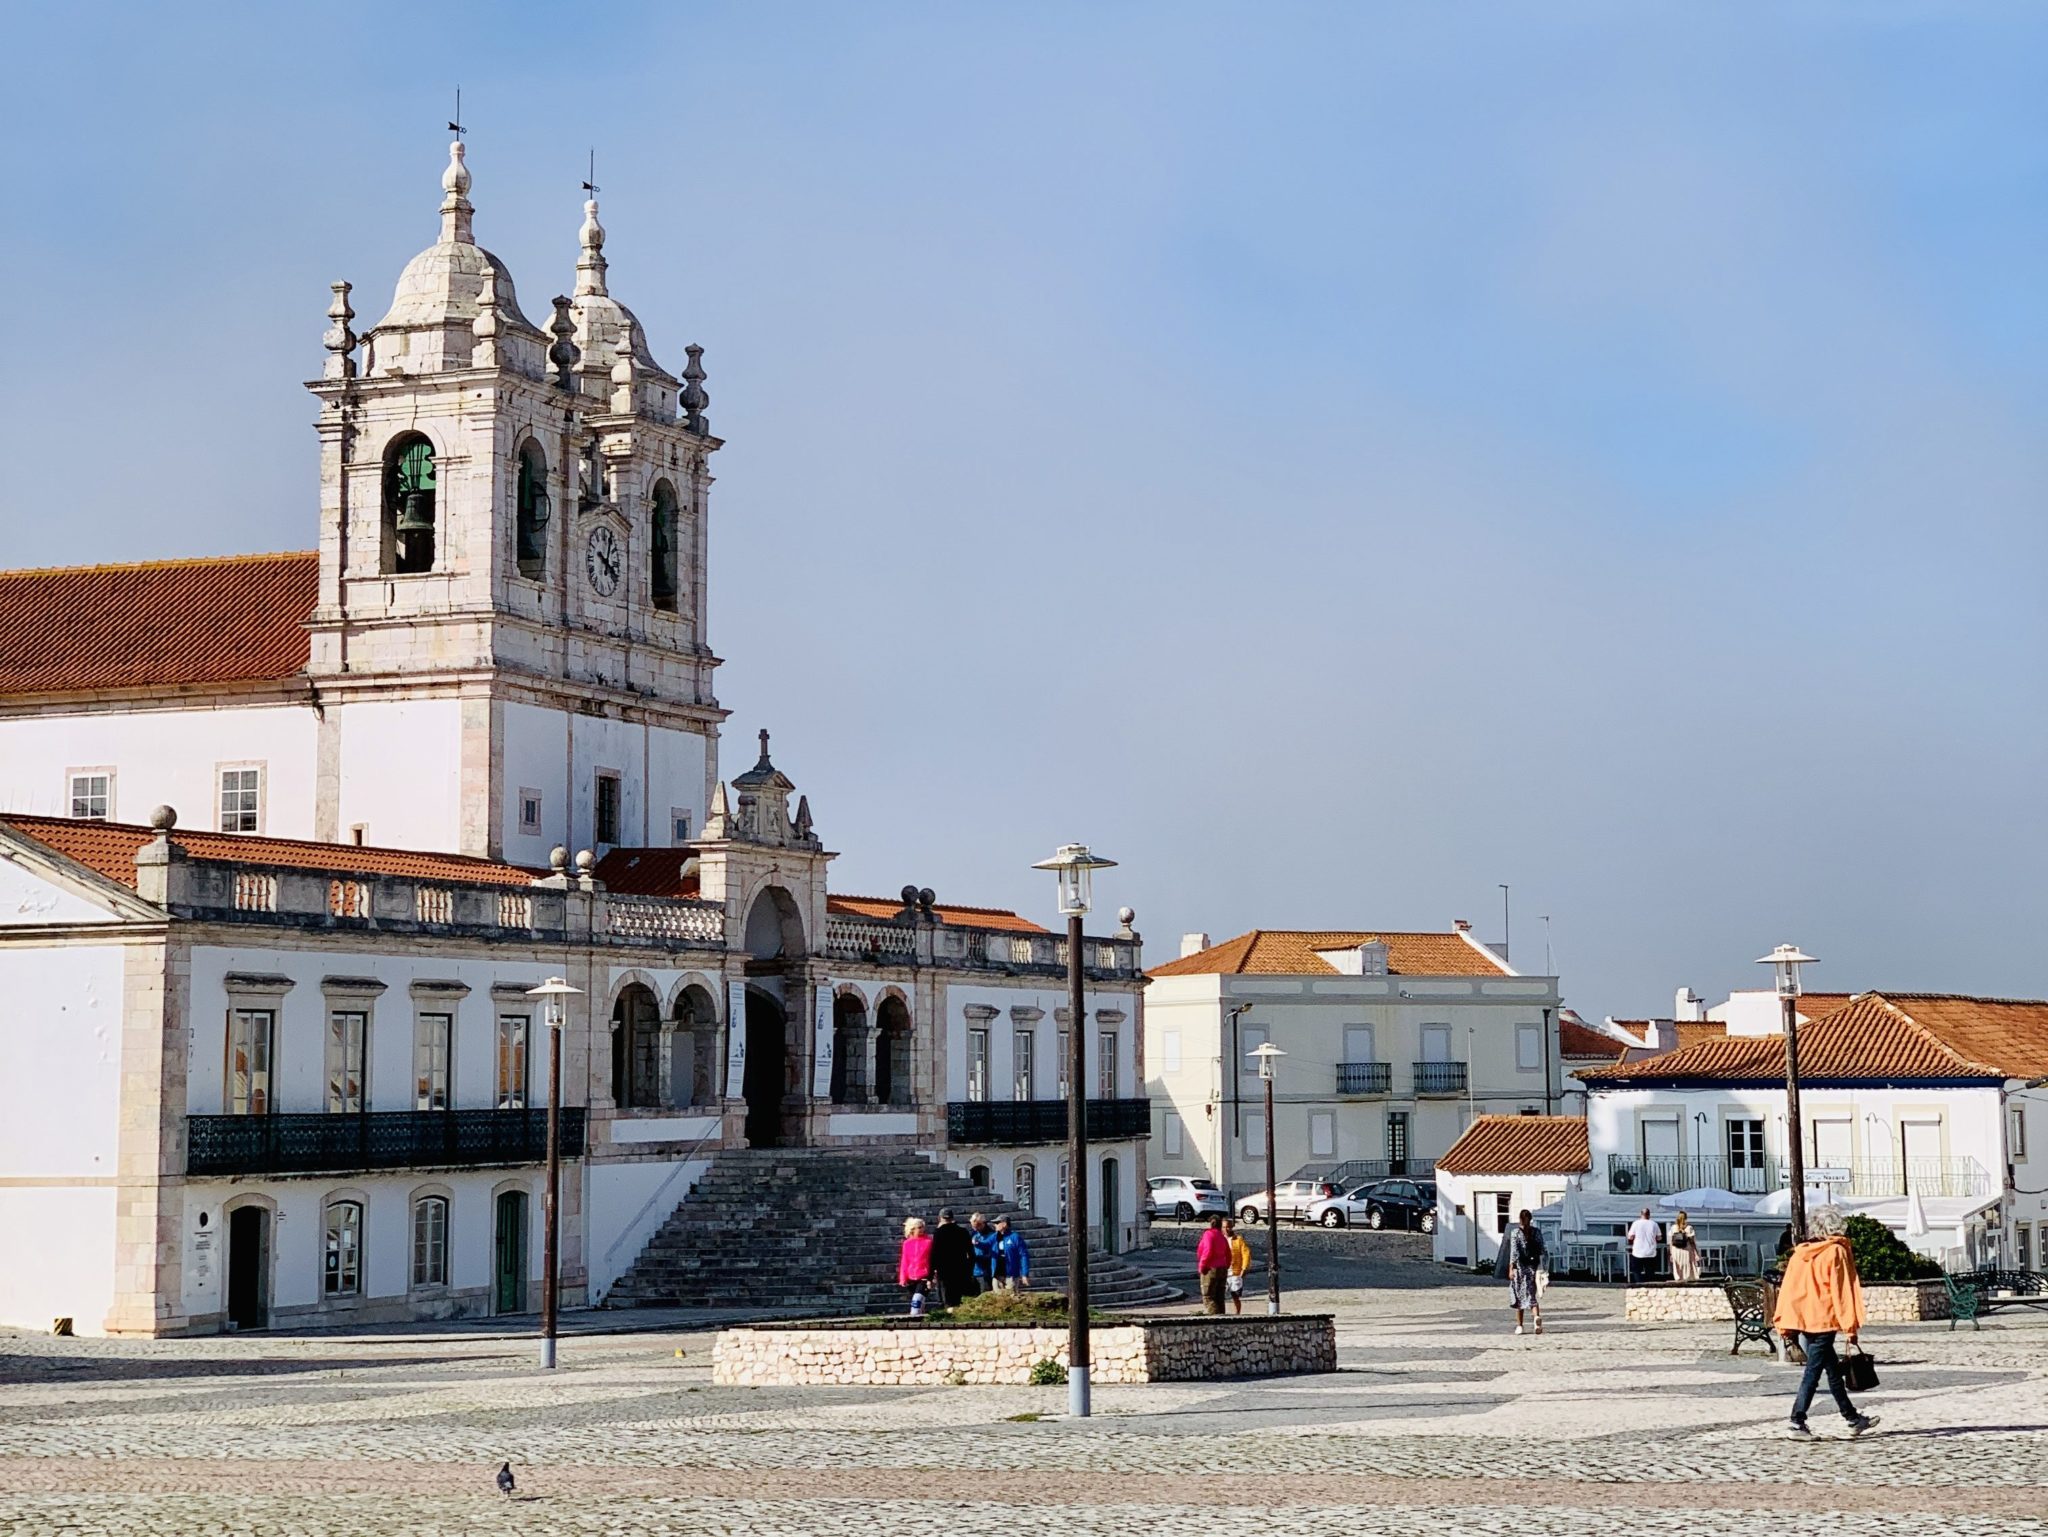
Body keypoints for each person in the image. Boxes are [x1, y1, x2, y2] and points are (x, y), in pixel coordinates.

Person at [1772, 1205, 1879, 1439]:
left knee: (1832, 1372)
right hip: (1823, 1321)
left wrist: (1784, 1324)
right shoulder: (1835, 1252)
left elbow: (1789, 1290)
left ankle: (1852, 1418)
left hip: (1803, 1320)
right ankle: (1796, 1422)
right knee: (1812, 1372)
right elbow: (1842, 1292)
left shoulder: (1800, 1253)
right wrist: (1850, 1328)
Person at [1504, 1209, 1546, 1335]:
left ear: (1519, 1219)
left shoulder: (1515, 1233)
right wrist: (1543, 1267)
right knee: (1532, 1296)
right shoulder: (1536, 1232)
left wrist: (1511, 1268)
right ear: (1531, 1219)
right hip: (1533, 1268)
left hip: (1520, 1269)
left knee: (1519, 1298)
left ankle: (1520, 1325)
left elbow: (1514, 1253)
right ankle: (1536, 1318)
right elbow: (1543, 1250)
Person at [930, 1208, 975, 1307]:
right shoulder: (963, 1231)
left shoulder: (939, 1233)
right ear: (952, 1218)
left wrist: (931, 1273)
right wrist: (969, 1269)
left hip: (944, 1272)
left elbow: (934, 1254)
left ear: (940, 1218)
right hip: (961, 1270)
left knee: (948, 1301)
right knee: (960, 1300)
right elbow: (971, 1254)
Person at [1195, 1215, 1231, 1315]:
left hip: (1210, 1268)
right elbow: (1228, 1253)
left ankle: (1214, 1318)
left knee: (1209, 1297)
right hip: (1222, 1268)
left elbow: (1208, 1250)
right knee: (1220, 1297)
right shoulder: (1221, 1236)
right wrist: (1226, 1266)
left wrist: (1202, 1266)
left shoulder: (1209, 1234)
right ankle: (1222, 1318)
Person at [898, 1216, 933, 1311]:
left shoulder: (929, 1242)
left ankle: (914, 1318)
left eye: (922, 1227)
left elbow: (932, 1259)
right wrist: (903, 1278)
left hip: (924, 1276)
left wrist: (932, 1276)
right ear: (912, 1229)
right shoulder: (907, 1243)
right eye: (919, 1227)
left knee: (916, 1301)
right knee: (919, 1303)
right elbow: (905, 1261)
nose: (922, 1229)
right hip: (911, 1277)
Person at [1625, 1207, 1662, 1285]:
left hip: (1638, 1252)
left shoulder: (1636, 1223)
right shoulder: (1654, 1224)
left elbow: (1630, 1236)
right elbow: (1659, 1237)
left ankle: (1639, 1285)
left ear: (1641, 1214)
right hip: (1650, 1252)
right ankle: (1649, 1286)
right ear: (1649, 1215)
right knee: (1650, 1271)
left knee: (1636, 1270)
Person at [992, 1216, 1030, 1291]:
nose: (994, 1225)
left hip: (1011, 1275)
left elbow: (1023, 1255)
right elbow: (985, 1244)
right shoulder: (994, 1236)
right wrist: (976, 1243)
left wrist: (1024, 1274)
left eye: (997, 1223)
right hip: (997, 1275)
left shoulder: (1015, 1237)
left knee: (1010, 1298)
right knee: (996, 1300)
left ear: (1004, 1224)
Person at [1225, 1218, 1254, 1315]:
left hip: (1235, 1271)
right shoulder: (1220, 1239)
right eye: (1224, 1227)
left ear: (1232, 1227)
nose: (1226, 1229)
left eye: (1228, 1227)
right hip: (1223, 1271)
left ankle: (1237, 1313)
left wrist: (1244, 1268)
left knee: (1235, 1295)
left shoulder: (1238, 1239)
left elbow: (1246, 1253)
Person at [969, 1212, 998, 1295]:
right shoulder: (974, 1234)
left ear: (982, 1224)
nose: (974, 1229)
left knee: (985, 1295)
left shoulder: (991, 1235)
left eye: (976, 1227)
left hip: (985, 1272)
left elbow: (993, 1254)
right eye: (973, 1227)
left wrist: (977, 1258)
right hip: (974, 1271)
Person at [1668, 1211, 1700, 1283]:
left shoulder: (1673, 1227)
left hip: (1675, 1250)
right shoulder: (1689, 1228)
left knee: (1677, 1266)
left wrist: (1671, 1253)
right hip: (1686, 1249)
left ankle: (1678, 1279)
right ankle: (1687, 1279)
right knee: (1687, 1266)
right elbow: (1692, 1242)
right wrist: (1696, 1252)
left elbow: (1671, 1242)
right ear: (1686, 1218)